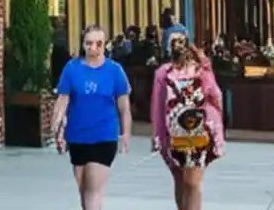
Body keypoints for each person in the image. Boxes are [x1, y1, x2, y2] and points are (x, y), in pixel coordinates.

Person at [52, 24, 132, 210]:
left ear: (105, 44)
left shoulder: (115, 71)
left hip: (104, 135)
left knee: (93, 189)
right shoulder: (72, 69)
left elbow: (124, 107)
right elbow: (63, 100)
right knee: (84, 189)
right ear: (83, 44)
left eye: (98, 43)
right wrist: (57, 127)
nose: (93, 48)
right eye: (89, 43)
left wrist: (125, 133)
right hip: (77, 136)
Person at [151, 30, 224, 210]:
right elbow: (157, 105)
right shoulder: (163, 73)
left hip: (198, 130)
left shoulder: (200, 70)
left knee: (192, 181)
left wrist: (215, 128)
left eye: (181, 41)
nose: (178, 46)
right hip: (173, 132)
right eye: (173, 42)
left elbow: (215, 96)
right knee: (180, 178)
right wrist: (158, 135)